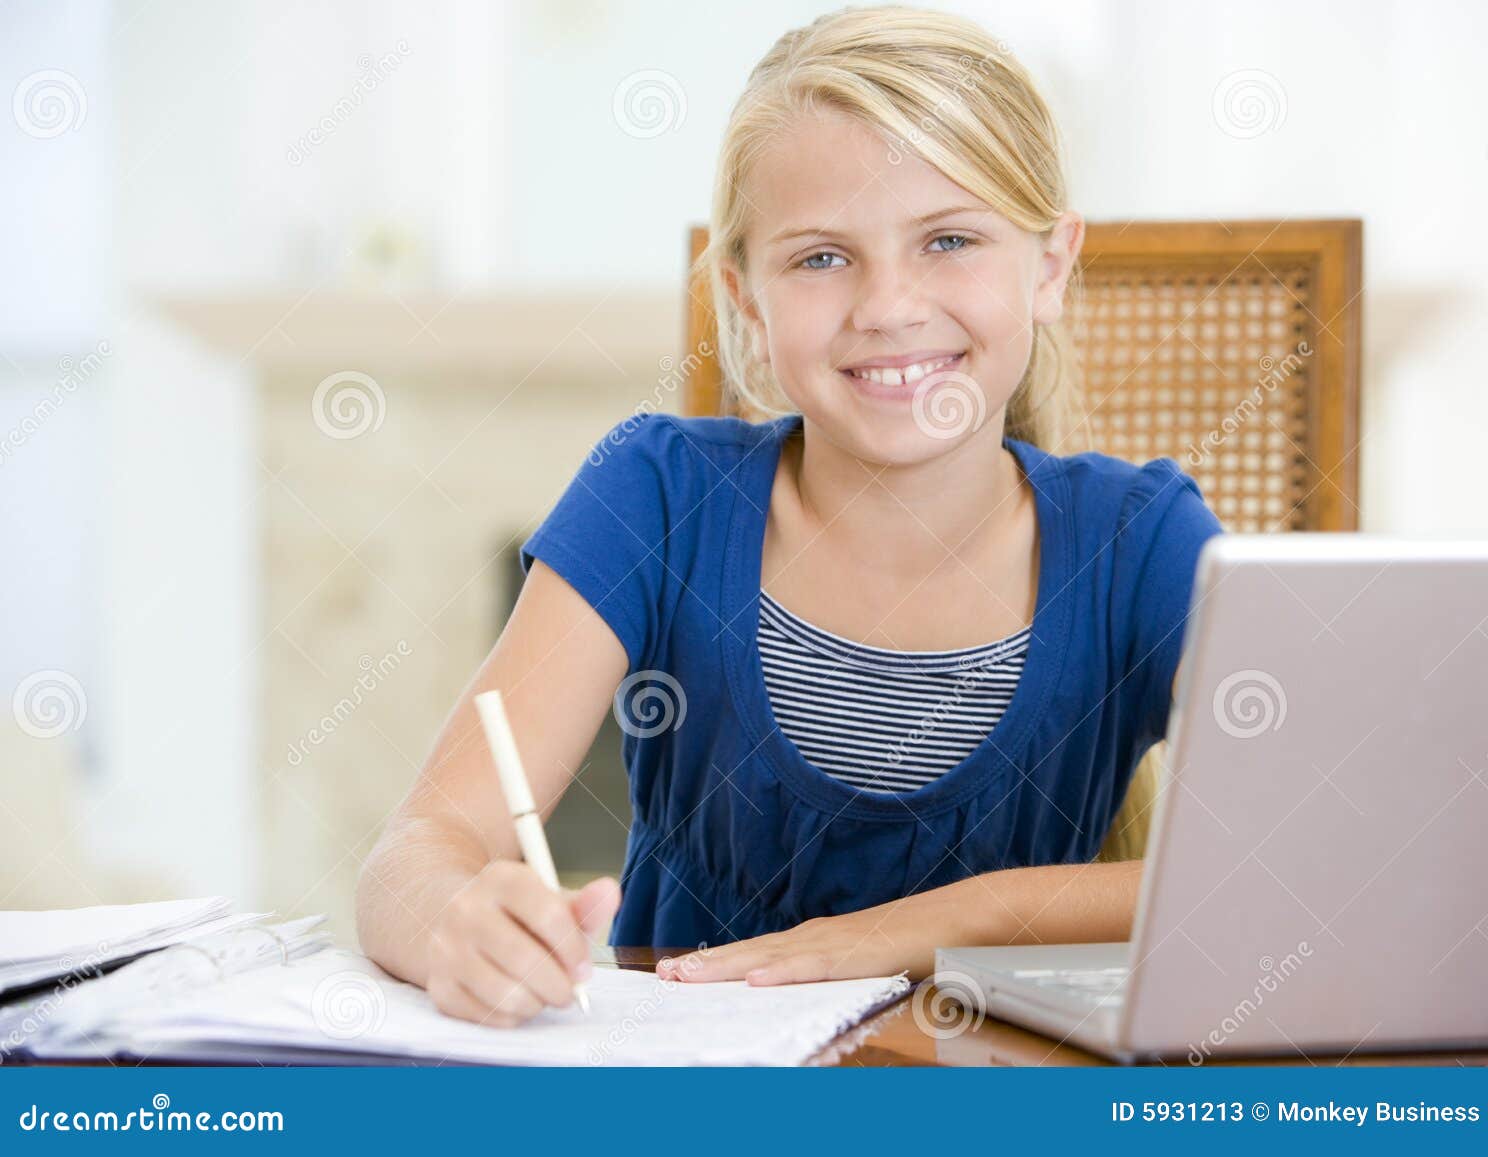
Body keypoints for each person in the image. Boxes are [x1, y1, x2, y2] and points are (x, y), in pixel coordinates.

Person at [356, 4, 1222, 1026]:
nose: (888, 305)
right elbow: (415, 850)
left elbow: (1315, 869)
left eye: (948, 239)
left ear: (1048, 265)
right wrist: (457, 914)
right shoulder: (658, 493)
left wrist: (963, 914)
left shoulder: (1143, 542)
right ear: (747, 300)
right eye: (821, 257)